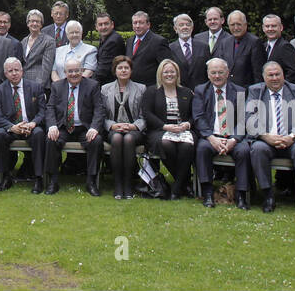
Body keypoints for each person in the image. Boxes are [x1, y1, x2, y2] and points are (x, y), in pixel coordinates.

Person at [246, 61, 295, 216]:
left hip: (292, 140)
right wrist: (265, 136)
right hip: (267, 140)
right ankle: (268, 195)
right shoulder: (255, 91)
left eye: (278, 74)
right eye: (270, 75)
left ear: (283, 75)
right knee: (257, 149)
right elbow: (249, 117)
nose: (274, 78)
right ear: (263, 77)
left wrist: (292, 136)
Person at [192, 57, 251, 209]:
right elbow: (198, 117)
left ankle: (241, 195)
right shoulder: (200, 90)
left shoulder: (240, 91)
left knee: (244, 151)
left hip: (233, 137)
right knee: (202, 148)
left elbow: (244, 120)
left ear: (227, 73)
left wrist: (234, 139)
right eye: (213, 73)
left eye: (220, 72)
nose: (217, 76)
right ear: (208, 74)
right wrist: (211, 138)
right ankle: (208, 193)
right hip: (211, 136)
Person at [46, 58, 105, 196]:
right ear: (65, 72)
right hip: (63, 127)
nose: (74, 74)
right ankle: (53, 181)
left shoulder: (93, 85)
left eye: (77, 70)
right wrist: (52, 126)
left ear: (82, 70)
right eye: (70, 71)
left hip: (84, 128)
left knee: (96, 141)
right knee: (50, 140)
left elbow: (99, 109)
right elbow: (50, 108)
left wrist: (94, 128)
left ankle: (91, 182)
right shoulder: (57, 86)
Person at [0, 57, 48, 192]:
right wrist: (12, 127)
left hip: (31, 127)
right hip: (11, 128)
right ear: (5, 74)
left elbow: (42, 112)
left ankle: (38, 178)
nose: (14, 73)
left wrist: (33, 124)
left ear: (22, 71)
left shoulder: (35, 87)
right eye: (10, 71)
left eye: (17, 70)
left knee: (39, 134)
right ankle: (5, 177)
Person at [143, 59, 194, 199]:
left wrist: (186, 125)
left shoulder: (187, 92)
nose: (169, 74)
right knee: (166, 144)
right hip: (160, 130)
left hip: (183, 129)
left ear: (177, 74)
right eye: (166, 72)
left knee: (186, 146)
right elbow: (147, 113)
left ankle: (176, 188)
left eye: (172, 72)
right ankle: (183, 184)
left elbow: (194, 115)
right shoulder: (152, 91)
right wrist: (164, 126)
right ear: (160, 74)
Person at [100, 56, 145, 199]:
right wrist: (113, 125)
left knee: (129, 139)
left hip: (134, 130)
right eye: (120, 68)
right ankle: (118, 184)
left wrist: (133, 126)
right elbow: (101, 114)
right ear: (115, 70)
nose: (123, 70)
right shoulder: (105, 89)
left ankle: (128, 183)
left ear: (131, 71)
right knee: (118, 138)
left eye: (126, 68)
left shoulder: (141, 88)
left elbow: (145, 115)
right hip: (114, 129)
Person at [219, 10, 265, 86]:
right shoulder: (224, 43)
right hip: (228, 89)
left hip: (246, 91)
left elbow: (258, 73)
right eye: (232, 25)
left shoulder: (254, 42)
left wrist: (257, 92)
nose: (236, 27)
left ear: (245, 25)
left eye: (239, 24)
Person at [127, 11, 170, 86]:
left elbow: (166, 67)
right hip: (131, 88)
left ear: (148, 25)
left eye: (141, 23)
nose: (137, 26)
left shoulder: (158, 41)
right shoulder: (129, 41)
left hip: (150, 88)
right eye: (135, 23)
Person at [18, 9, 54, 88]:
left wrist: (38, 87)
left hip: (38, 84)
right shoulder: (23, 41)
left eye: (38, 21)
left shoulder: (48, 41)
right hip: (22, 83)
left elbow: (46, 68)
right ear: (28, 23)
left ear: (41, 25)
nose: (34, 23)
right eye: (32, 21)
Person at [169, 13, 207, 88]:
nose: (185, 27)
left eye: (188, 25)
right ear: (175, 29)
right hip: (179, 91)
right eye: (181, 25)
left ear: (192, 28)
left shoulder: (204, 47)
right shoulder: (170, 49)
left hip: (201, 92)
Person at [261, 14, 295, 86]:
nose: (270, 29)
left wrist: (281, 88)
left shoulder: (285, 47)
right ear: (263, 28)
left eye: (274, 26)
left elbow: (293, 73)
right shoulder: (263, 46)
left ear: (281, 27)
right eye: (267, 26)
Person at [92, 11, 125, 85]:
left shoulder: (113, 41)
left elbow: (103, 70)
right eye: (100, 24)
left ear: (112, 25)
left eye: (106, 24)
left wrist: (88, 84)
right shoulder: (105, 39)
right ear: (96, 27)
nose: (103, 27)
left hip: (110, 84)